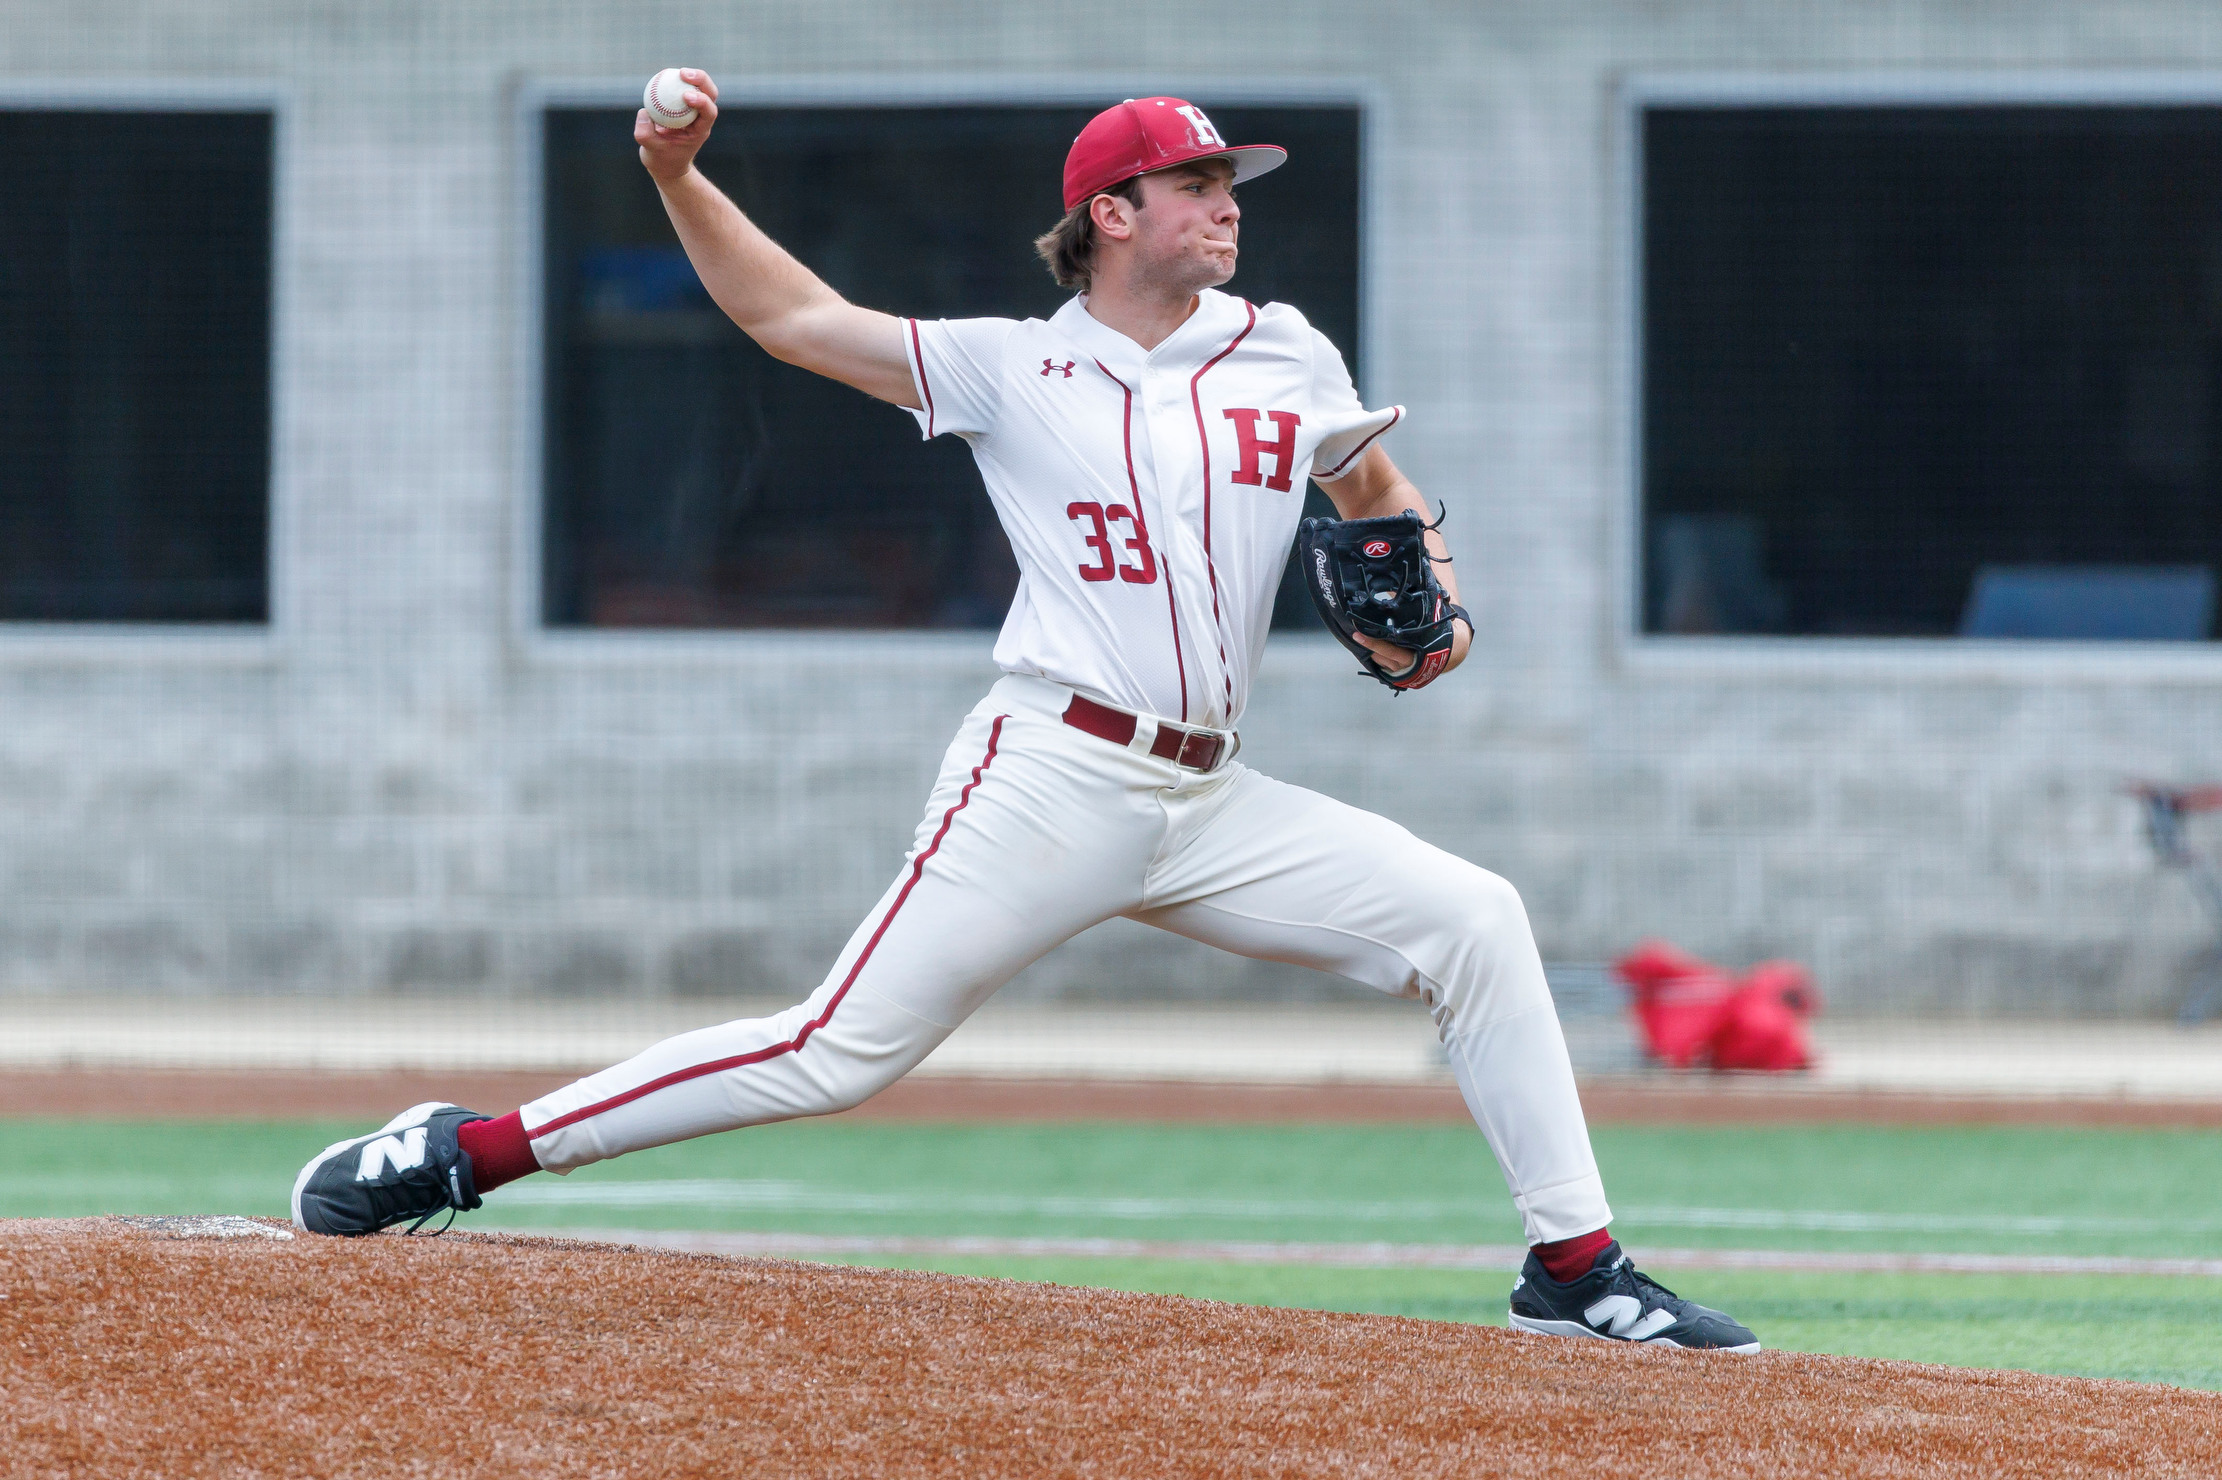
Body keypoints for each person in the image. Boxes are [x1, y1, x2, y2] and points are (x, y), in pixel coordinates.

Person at [292, 77, 1758, 1353]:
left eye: (1226, 183)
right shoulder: (1009, 363)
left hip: (1212, 801)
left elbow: (1370, 492)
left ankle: (1574, 1270)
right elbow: (789, 315)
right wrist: (676, 174)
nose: (1224, 203)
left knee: (1475, 920)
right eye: (1193, 184)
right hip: (1052, 773)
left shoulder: (1285, 349)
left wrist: (1405, 550)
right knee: (834, 1052)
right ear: (1110, 212)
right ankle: (463, 1152)